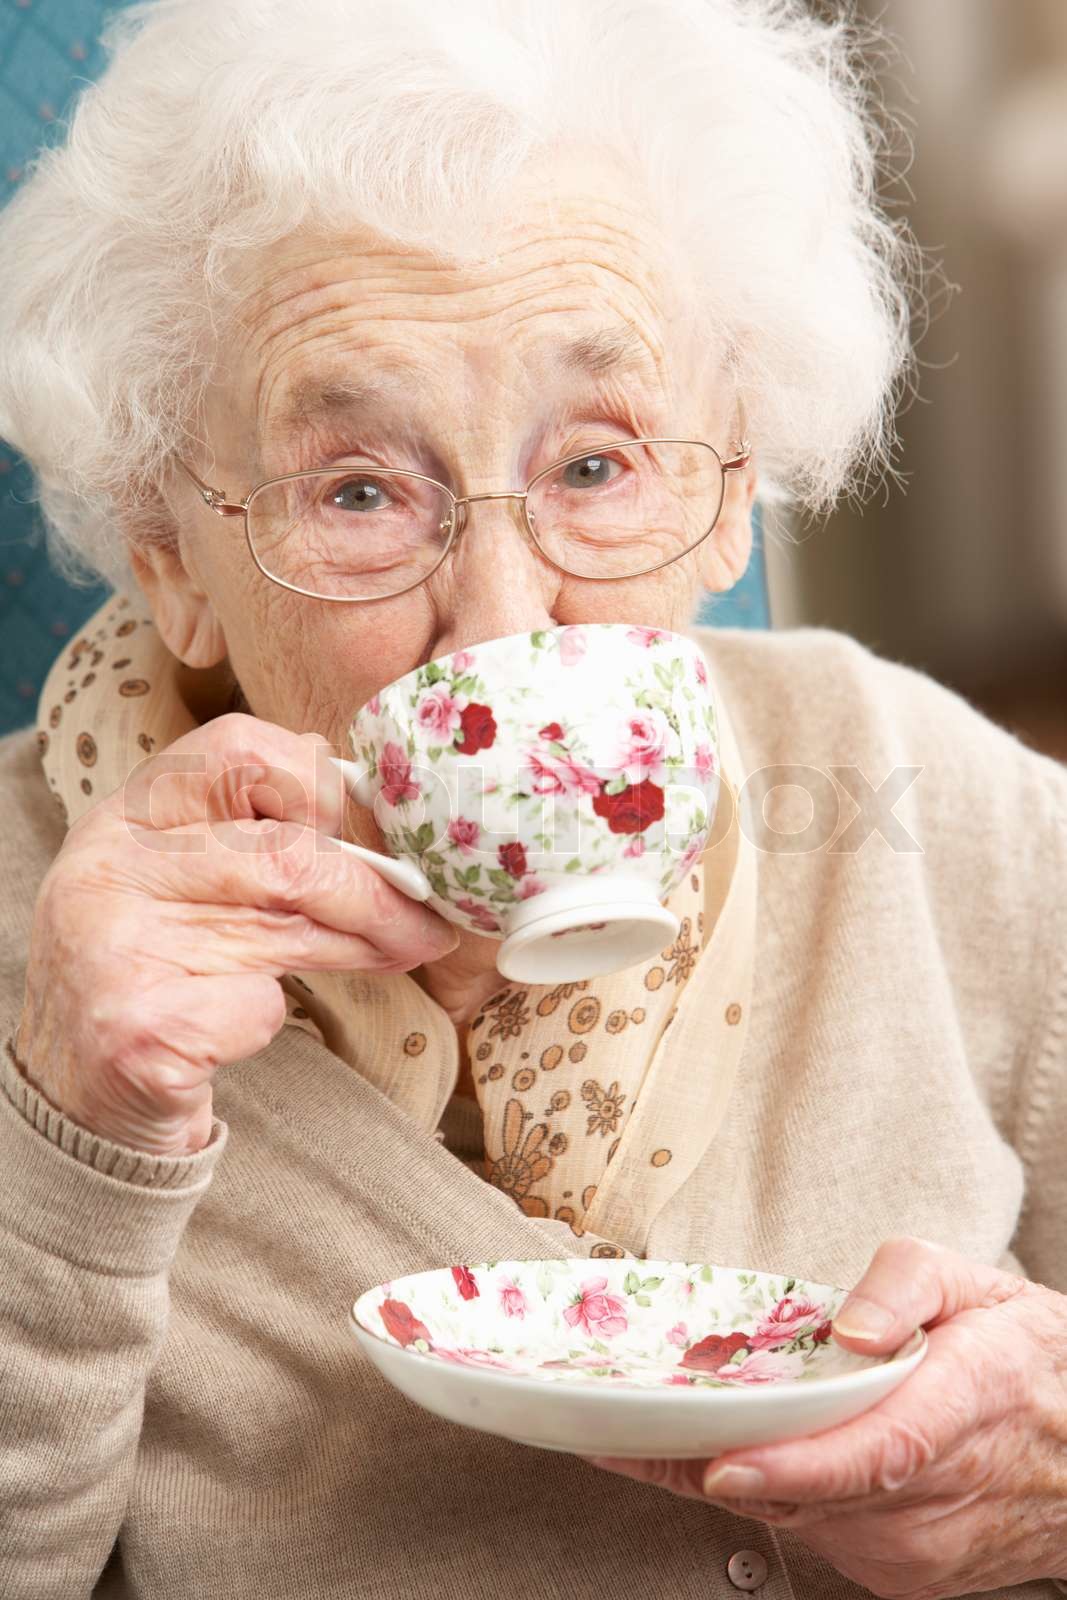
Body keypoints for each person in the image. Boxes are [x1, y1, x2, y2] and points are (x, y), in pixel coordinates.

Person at [0, 2, 1064, 1596]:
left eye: (595, 469)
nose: (501, 622)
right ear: (172, 555)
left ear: (731, 496)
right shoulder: (39, 946)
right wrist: (72, 1137)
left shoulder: (941, 806)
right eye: (358, 490)